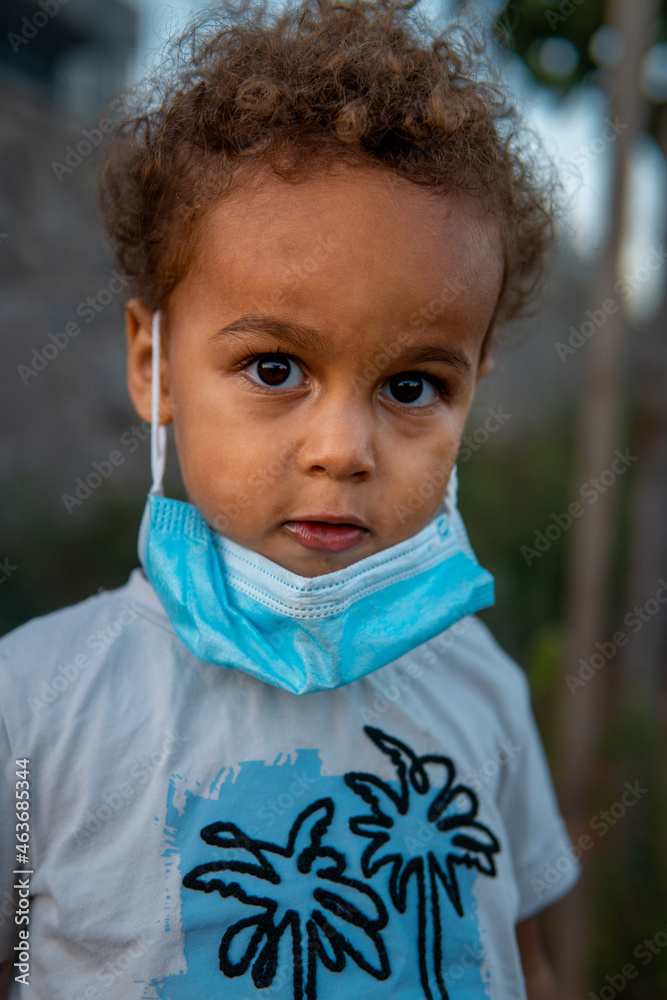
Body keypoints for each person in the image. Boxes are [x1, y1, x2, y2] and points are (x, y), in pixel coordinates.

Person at [0, 0, 580, 997]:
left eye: (412, 387)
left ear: (472, 388)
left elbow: (525, 961)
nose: (341, 449)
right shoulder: (35, 704)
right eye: (275, 366)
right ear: (156, 365)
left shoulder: (481, 690)